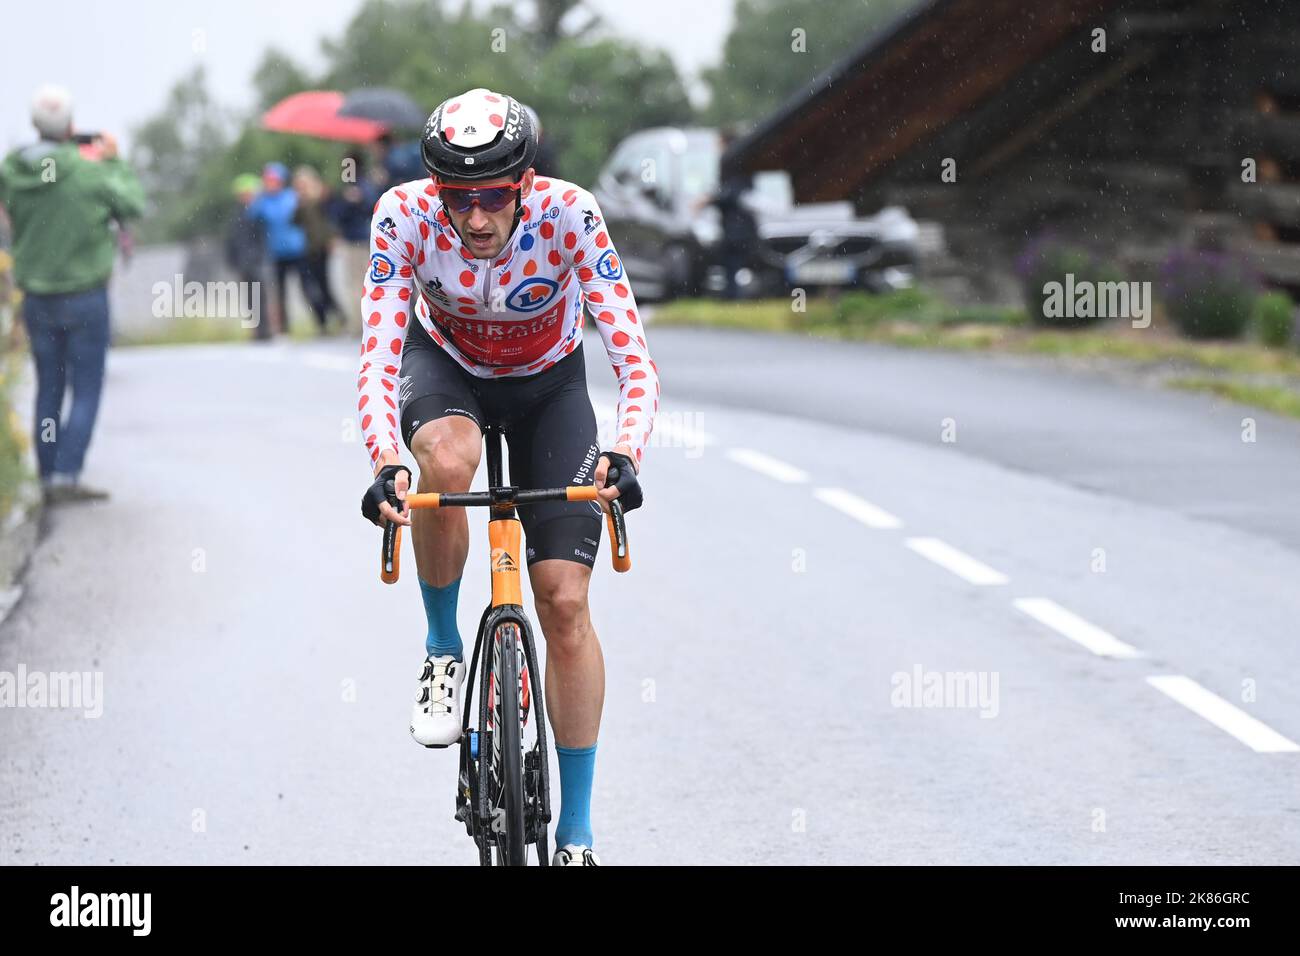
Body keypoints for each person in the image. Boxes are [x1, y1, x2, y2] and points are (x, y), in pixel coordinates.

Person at [357, 88, 657, 866]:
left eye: (494, 197)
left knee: (562, 602)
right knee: (444, 463)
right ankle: (442, 648)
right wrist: (386, 458)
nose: (478, 218)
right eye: (460, 199)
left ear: (524, 184)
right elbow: (379, 355)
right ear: (437, 192)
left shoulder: (572, 214)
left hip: (548, 386)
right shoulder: (403, 215)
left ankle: (578, 832)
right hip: (446, 371)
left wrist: (627, 449)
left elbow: (630, 354)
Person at [0, 85, 144, 503]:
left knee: (48, 386)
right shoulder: (90, 172)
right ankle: (66, 473)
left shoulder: (13, 173)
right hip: (85, 296)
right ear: (71, 126)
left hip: (37, 297)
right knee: (85, 387)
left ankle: (46, 478)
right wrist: (113, 159)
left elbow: (26, 165)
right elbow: (133, 203)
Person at [247, 162, 307, 335]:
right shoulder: (263, 201)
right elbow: (251, 215)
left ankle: (321, 320)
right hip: (277, 252)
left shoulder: (291, 197)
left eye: (274, 180)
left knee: (306, 287)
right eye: (268, 181)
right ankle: (284, 327)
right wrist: (258, 195)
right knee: (280, 293)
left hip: (297, 249)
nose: (270, 184)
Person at [326, 155, 380, 329]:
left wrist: (360, 199)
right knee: (354, 283)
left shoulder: (367, 186)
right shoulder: (348, 188)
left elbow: (376, 207)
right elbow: (336, 213)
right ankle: (359, 322)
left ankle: (365, 322)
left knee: (364, 282)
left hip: (365, 240)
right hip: (352, 240)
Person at [709, 125, 759, 300]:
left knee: (732, 265)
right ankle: (735, 297)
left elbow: (731, 194)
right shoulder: (744, 159)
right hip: (741, 225)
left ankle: (734, 298)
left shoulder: (730, 159)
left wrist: (710, 200)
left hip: (736, 226)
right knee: (735, 265)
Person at [291, 166, 341, 334]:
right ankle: (322, 319)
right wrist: (299, 203)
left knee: (324, 284)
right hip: (308, 249)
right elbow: (295, 221)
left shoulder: (322, 198)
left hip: (322, 247)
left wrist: (333, 237)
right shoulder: (301, 203)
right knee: (308, 287)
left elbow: (332, 219)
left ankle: (337, 315)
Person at [224, 174, 270, 340]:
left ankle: (266, 330)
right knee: (251, 298)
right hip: (244, 262)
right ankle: (257, 330)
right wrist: (232, 260)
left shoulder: (258, 212)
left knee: (262, 296)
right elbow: (231, 240)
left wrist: (261, 257)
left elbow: (264, 237)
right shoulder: (237, 214)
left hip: (257, 261)